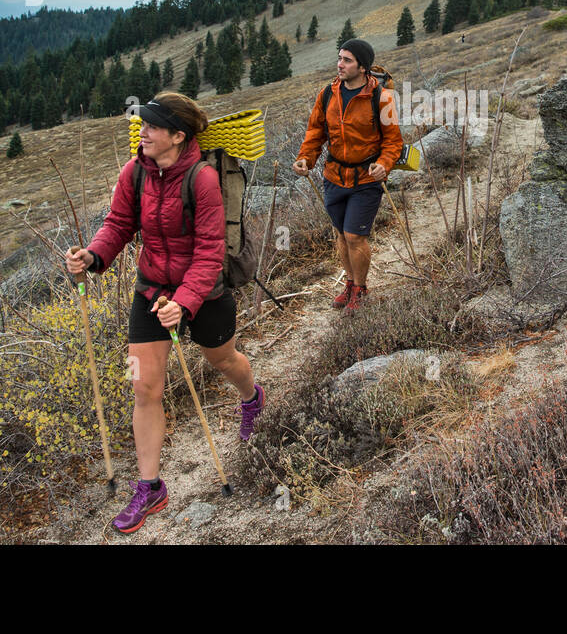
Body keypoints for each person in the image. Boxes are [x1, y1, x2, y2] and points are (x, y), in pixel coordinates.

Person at [64, 92, 264, 534]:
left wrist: (185, 302)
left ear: (178, 135)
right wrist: (93, 259)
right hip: (151, 290)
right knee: (144, 386)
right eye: (143, 124)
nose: (143, 132)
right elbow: (118, 225)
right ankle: (150, 485)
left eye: (153, 126)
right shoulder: (135, 172)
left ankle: (252, 397)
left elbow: (211, 252)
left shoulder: (204, 179)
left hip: (204, 293)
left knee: (224, 360)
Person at [293, 39, 403, 311]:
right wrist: (306, 158)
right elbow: (315, 133)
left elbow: (393, 141)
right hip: (333, 176)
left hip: (366, 179)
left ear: (363, 67)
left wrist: (384, 164)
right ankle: (350, 284)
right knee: (341, 234)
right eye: (339, 58)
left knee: (355, 236)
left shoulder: (383, 98)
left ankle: (361, 288)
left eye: (347, 60)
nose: (340, 64)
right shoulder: (327, 94)